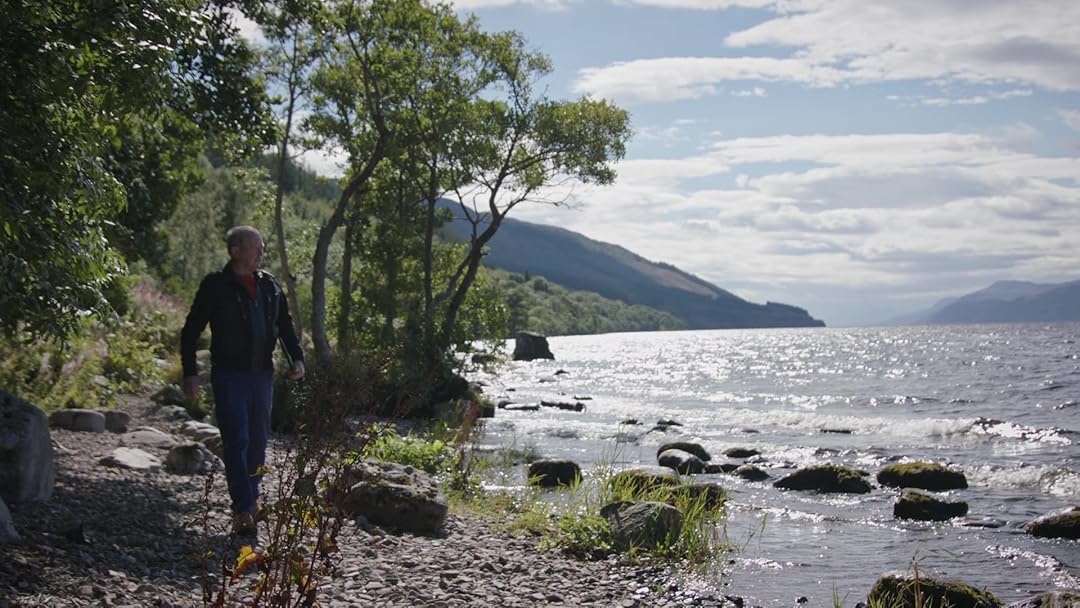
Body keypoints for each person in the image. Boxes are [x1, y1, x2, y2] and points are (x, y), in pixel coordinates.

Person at [180, 225, 305, 537]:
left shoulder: (269, 285)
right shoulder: (215, 286)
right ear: (235, 250)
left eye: (262, 247)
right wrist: (190, 372)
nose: (262, 252)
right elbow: (191, 330)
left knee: (259, 444)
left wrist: (297, 358)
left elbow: (285, 325)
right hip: (229, 375)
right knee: (237, 440)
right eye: (256, 247)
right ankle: (243, 508)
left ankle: (251, 499)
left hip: (262, 374)